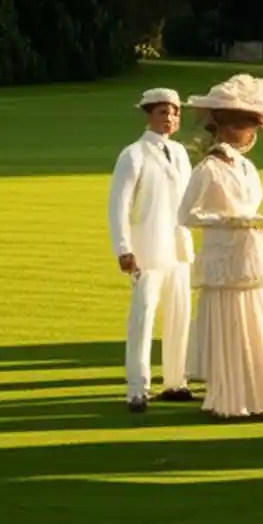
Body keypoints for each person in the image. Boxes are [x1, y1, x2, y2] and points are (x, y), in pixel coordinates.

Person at [180, 75, 263, 420]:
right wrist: (229, 221)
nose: (253, 134)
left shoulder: (247, 167)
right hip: (223, 259)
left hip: (249, 256)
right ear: (229, 128)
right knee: (230, 324)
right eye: (249, 127)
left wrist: (250, 221)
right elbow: (187, 214)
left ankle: (260, 395)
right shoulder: (208, 168)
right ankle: (229, 397)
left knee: (254, 322)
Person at [107, 88, 195, 412]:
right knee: (142, 318)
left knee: (179, 316)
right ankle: (137, 388)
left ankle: (176, 382)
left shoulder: (182, 154)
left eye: (174, 113)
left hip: (180, 249)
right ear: (148, 115)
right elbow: (118, 205)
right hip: (147, 249)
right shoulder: (133, 154)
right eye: (163, 112)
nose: (170, 118)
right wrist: (123, 248)